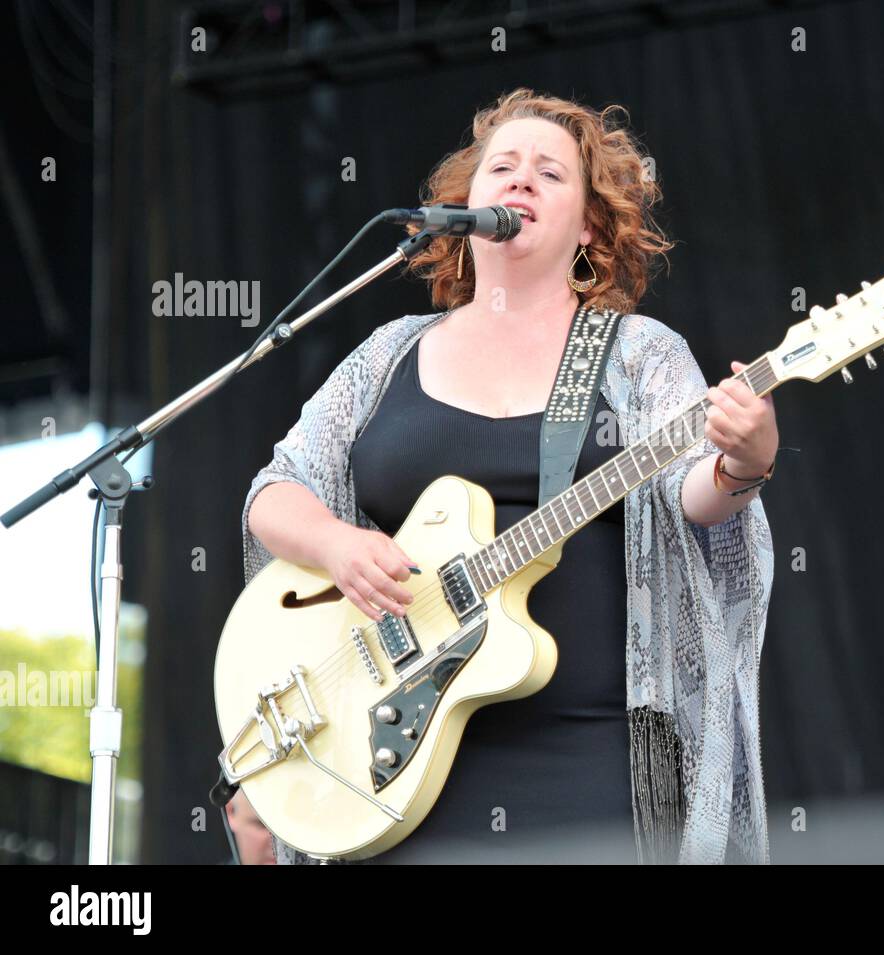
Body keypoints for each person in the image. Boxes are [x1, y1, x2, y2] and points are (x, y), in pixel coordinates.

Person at [242, 88, 776, 864]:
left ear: (590, 225)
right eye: (502, 167)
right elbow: (276, 489)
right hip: (394, 758)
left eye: (550, 173)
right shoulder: (390, 352)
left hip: (585, 763)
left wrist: (743, 461)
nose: (520, 180)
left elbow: (691, 492)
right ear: (467, 206)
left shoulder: (637, 353)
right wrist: (336, 545)